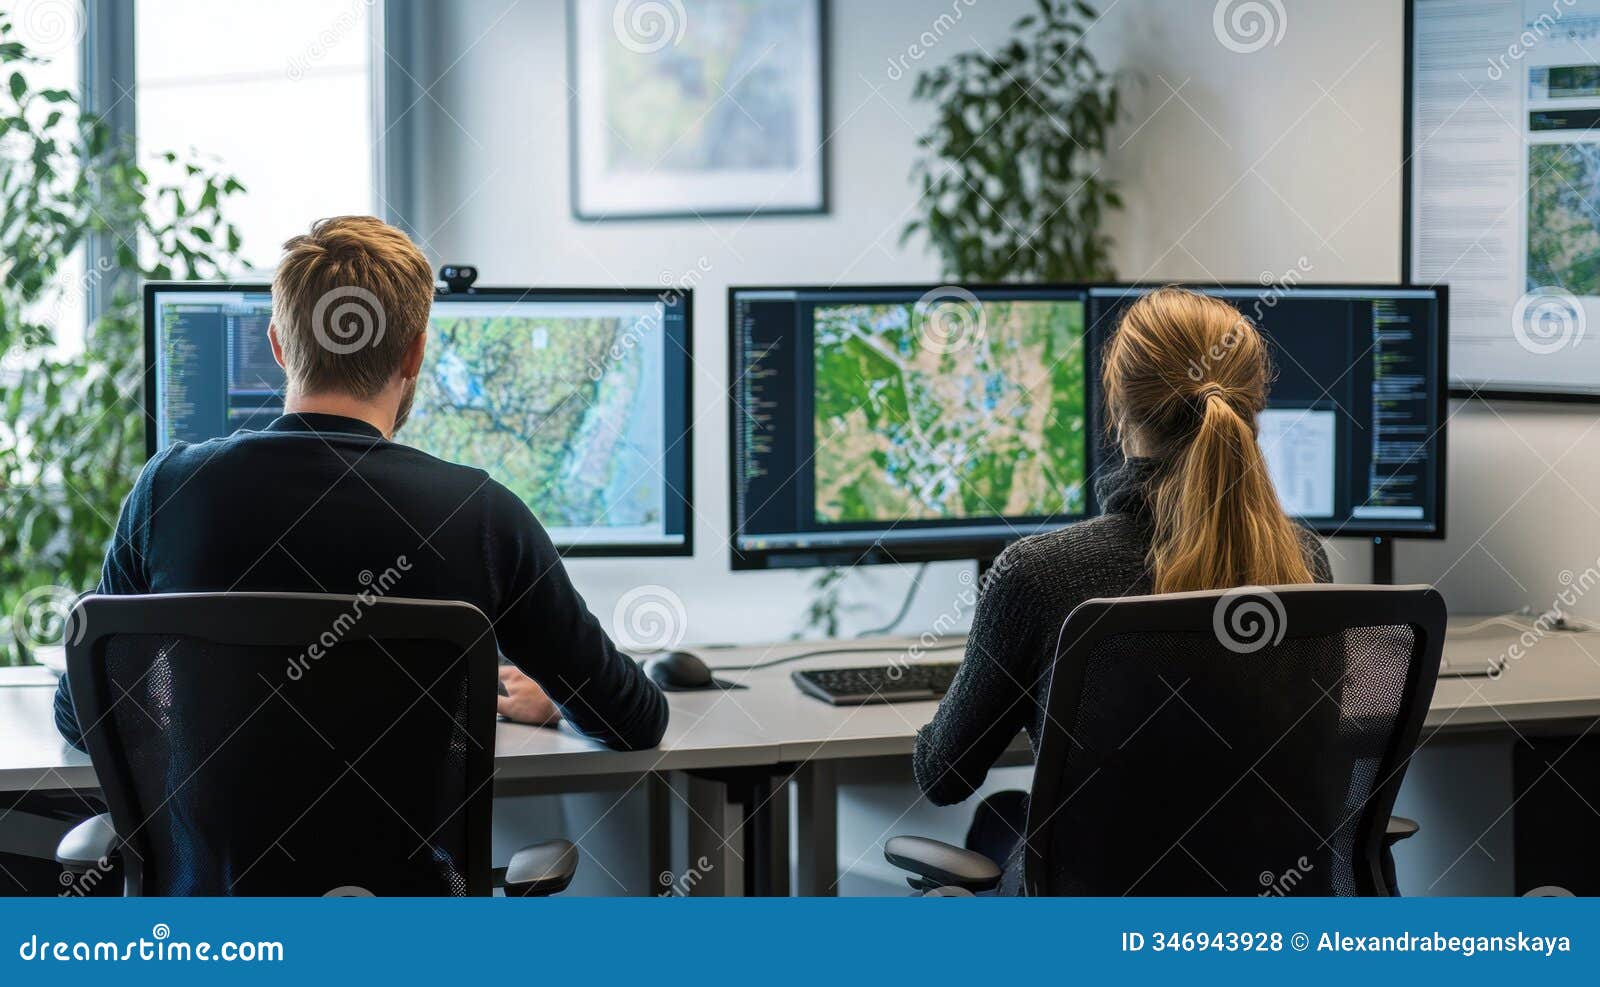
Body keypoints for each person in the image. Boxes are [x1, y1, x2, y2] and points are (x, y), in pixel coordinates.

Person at [54, 215, 667, 752]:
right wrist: (556, 701)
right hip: (408, 885)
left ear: (278, 346)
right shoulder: (482, 517)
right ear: (415, 355)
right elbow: (635, 721)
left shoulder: (169, 491)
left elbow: (80, 716)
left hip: (212, 885)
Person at [912, 286, 1332, 892]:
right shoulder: (1303, 561)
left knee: (999, 823)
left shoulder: (1038, 574)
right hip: (1269, 914)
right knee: (1004, 818)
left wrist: (986, 669)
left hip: (1101, 925)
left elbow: (944, 774)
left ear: (1118, 409)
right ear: (1254, 409)